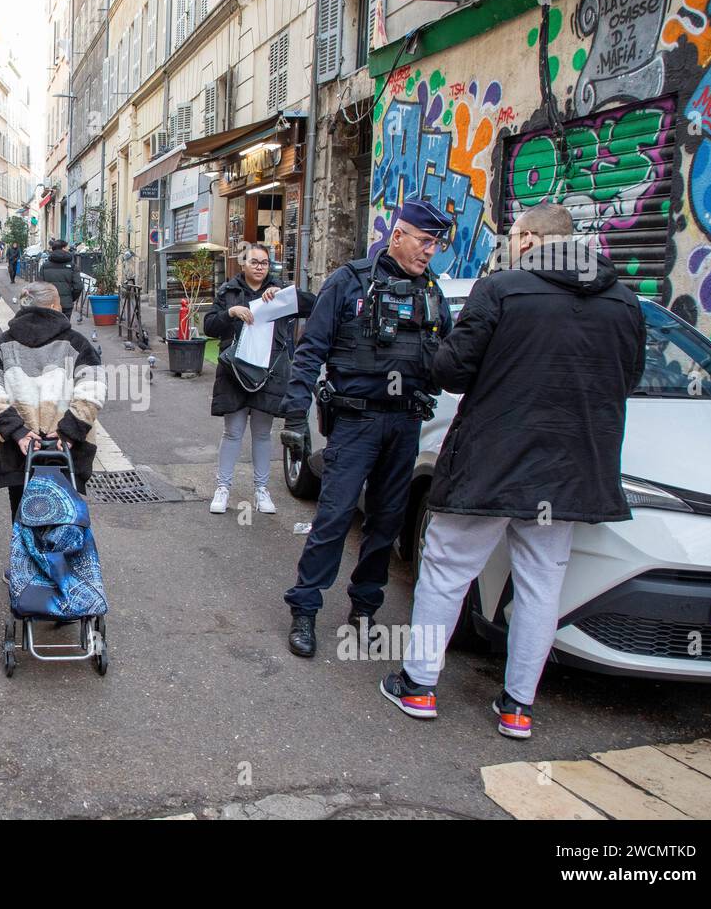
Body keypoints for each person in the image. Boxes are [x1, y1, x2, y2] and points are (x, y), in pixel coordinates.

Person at [379, 202, 645, 739]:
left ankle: (420, 685)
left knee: (448, 568)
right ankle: (518, 706)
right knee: (542, 585)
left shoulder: (501, 290)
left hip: (491, 461)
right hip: (570, 468)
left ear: (527, 240)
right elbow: (629, 375)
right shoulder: (624, 301)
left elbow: (450, 370)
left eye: (514, 236)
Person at [279, 199, 455, 658]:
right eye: (424, 241)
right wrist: (295, 416)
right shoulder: (349, 281)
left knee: (386, 522)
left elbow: (452, 357)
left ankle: (364, 608)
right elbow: (309, 350)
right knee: (335, 517)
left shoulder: (432, 293)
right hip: (356, 422)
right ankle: (305, 608)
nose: (429, 252)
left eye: (436, 244)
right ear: (397, 235)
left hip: (406, 422)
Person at [0, 281, 106, 535]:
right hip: (65, 447)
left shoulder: (2, 344)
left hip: (15, 447)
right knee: (63, 511)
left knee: (21, 509)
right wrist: (69, 431)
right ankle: (59, 565)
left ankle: (24, 567)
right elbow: (93, 389)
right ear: (55, 306)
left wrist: (18, 432)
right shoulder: (77, 343)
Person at [203, 243, 315, 515]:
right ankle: (223, 488)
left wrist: (285, 295)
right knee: (233, 432)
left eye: (264, 262)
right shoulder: (229, 291)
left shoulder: (278, 292)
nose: (259, 267)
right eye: (254, 262)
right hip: (235, 373)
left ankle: (261, 490)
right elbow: (208, 326)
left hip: (270, 373)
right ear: (244, 264)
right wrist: (230, 313)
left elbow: (312, 305)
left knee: (263, 434)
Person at [37, 238, 83, 319]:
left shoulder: (44, 266)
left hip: (49, 304)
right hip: (66, 304)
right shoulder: (72, 266)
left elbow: (40, 286)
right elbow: (78, 286)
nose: (69, 249)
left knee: (50, 329)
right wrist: (70, 298)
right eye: (67, 248)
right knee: (64, 329)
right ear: (63, 248)